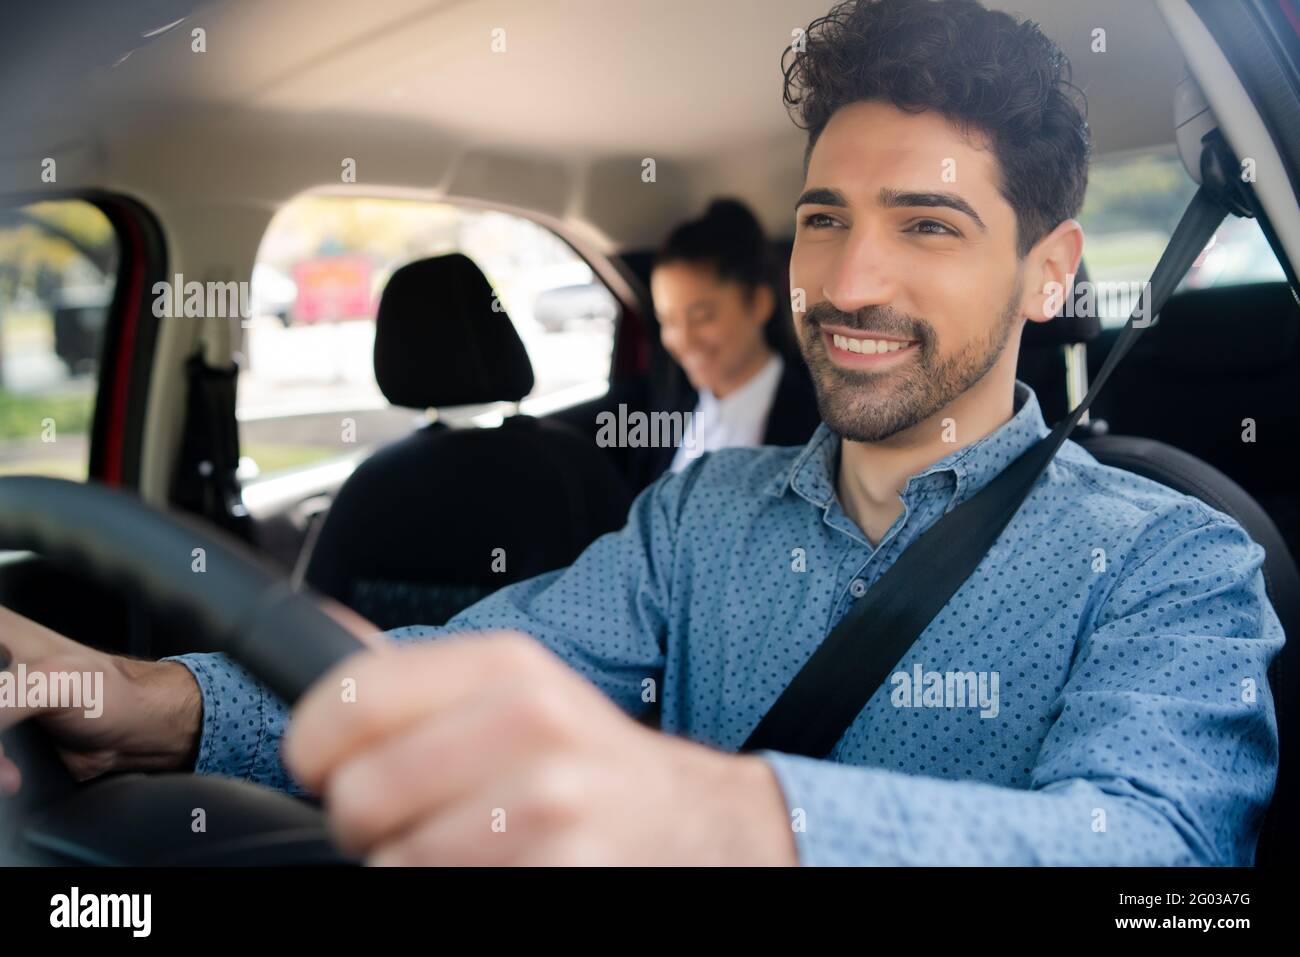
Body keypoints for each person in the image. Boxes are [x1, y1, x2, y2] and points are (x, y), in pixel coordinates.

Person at [0, 0, 1284, 866]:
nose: (844, 284)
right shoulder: (700, 517)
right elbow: (455, 671)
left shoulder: (1180, 560)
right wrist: (142, 701)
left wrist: (723, 816)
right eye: (825, 218)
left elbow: (1152, 856)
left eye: (927, 225)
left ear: (1051, 271)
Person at [633, 198, 820, 484]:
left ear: (759, 303)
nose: (683, 340)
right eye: (668, 321)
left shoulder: (816, 422)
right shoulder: (670, 407)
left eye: (702, 317)